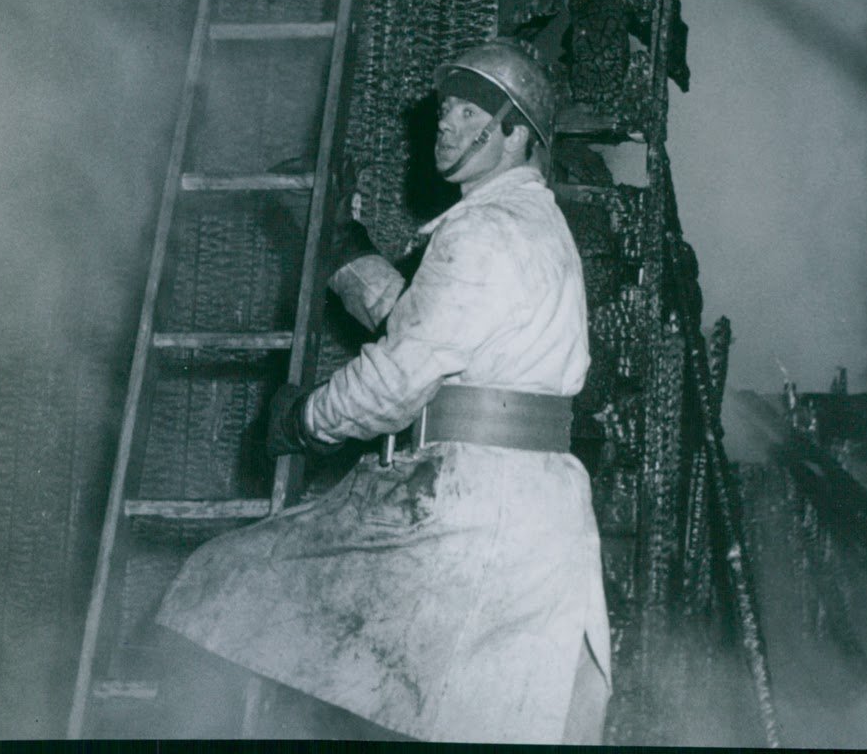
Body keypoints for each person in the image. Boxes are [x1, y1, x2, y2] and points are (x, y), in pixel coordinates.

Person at [156, 39, 611, 745]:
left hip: (472, 509)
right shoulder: (527, 225)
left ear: (516, 133)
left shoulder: (483, 232)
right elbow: (429, 328)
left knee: (223, 582)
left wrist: (305, 420)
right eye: (445, 112)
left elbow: (400, 376)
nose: (447, 128)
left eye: (469, 115)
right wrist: (345, 247)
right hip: (521, 507)